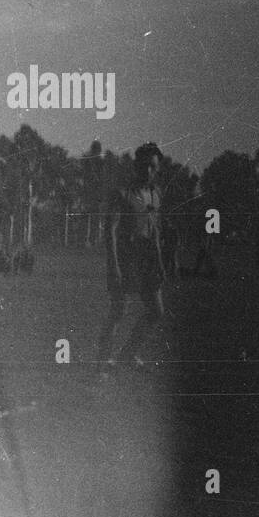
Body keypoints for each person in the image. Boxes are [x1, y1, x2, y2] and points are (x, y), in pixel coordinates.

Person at [99, 142, 166, 372]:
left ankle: (128, 354)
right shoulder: (122, 194)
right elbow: (109, 230)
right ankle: (103, 361)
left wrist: (159, 261)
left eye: (153, 167)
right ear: (136, 166)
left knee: (156, 310)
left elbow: (155, 230)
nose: (149, 171)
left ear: (157, 169)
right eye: (145, 166)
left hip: (147, 259)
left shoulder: (156, 194)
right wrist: (114, 265)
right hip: (126, 257)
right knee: (119, 310)